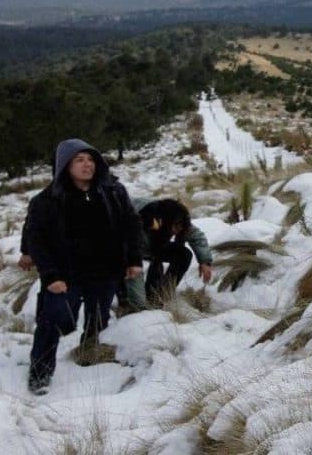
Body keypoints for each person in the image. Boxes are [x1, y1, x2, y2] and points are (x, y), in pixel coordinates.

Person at [24, 138, 143, 395]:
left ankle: (89, 355)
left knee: (98, 318)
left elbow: (131, 224)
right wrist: (50, 275)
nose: (87, 165)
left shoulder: (113, 191)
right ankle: (40, 374)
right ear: (65, 165)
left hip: (105, 271)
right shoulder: (46, 200)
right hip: (65, 275)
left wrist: (134, 259)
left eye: (91, 159)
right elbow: (37, 240)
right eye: (79, 160)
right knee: (53, 320)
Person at [122, 197, 213, 310]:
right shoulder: (137, 225)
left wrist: (205, 261)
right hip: (119, 249)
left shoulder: (175, 217)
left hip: (154, 244)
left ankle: (160, 296)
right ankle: (125, 300)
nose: (178, 230)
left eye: (181, 226)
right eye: (176, 226)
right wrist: (140, 306)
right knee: (129, 286)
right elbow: (133, 266)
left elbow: (196, 236)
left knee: (183, 255)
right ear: (163, 222)